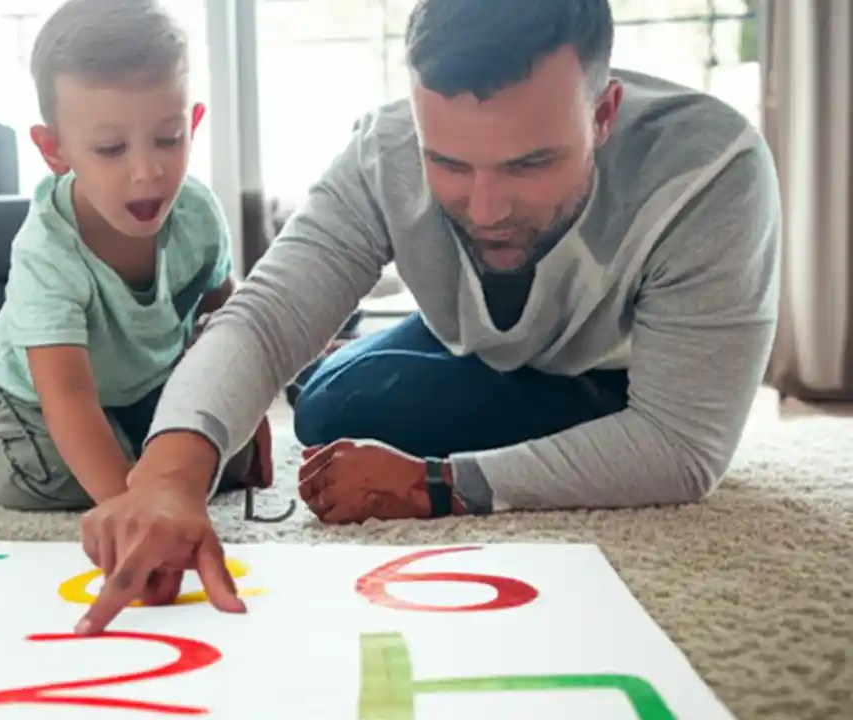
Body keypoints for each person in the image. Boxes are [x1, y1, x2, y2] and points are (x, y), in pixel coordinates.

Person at [71, 0, 782, 635]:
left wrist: (438, 484)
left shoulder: (711, 172)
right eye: (448, 162)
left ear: (603, 114)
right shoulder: (383, 152)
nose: (485, 210)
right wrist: (167, 476)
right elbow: (265, 317)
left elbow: (683, 449)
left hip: (620, 377)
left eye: (530, 164)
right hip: (472, 343)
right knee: (331, 411)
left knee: (385, 431)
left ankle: (569, 430)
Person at [0, 0, 272, 514]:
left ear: (192, 124)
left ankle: (133, 443)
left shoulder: (198, 214)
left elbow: (228, 327)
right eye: (110, 149)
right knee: (57, 480)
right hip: (36, 395)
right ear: (55, 151)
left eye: (168, 139)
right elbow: (68, 399)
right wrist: (132, 508)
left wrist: (250, 419)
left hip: (142, 381)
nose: (147, 170)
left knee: (212, 463)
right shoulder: (48, 250)